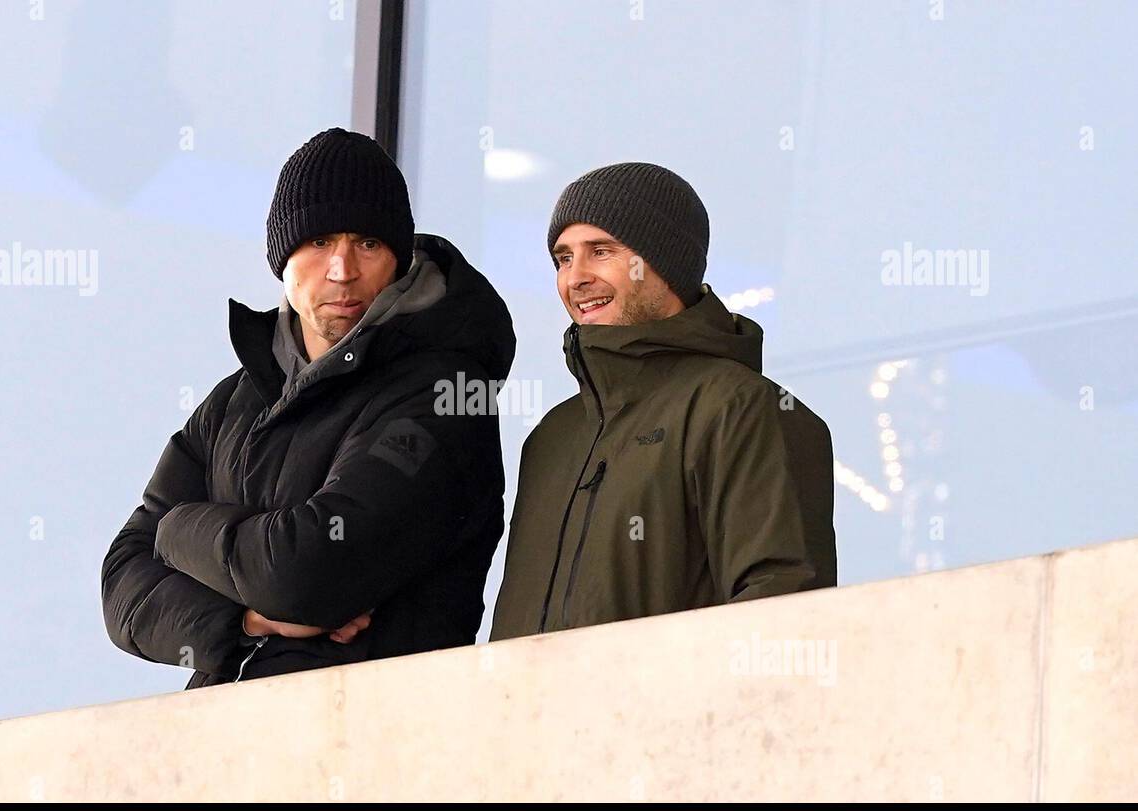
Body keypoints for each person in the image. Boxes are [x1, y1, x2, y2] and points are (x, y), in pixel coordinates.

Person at [102, 128, 516, 687]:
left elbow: (307, 575)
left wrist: (175, 530)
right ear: (283, 257)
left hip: (383, 736)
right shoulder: (234, 402)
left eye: (366, 244)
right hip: (226, 739)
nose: (342, 270)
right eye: (319, 242)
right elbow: (122, 582)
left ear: (397, 258)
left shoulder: (446, 391)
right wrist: (243, 624)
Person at [490, 162, 835, 641]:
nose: (576, 278)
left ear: (667, 264)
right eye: (563, 258)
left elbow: (783, 607)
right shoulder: (553, 436)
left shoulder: (743, 409)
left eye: (601, 251)